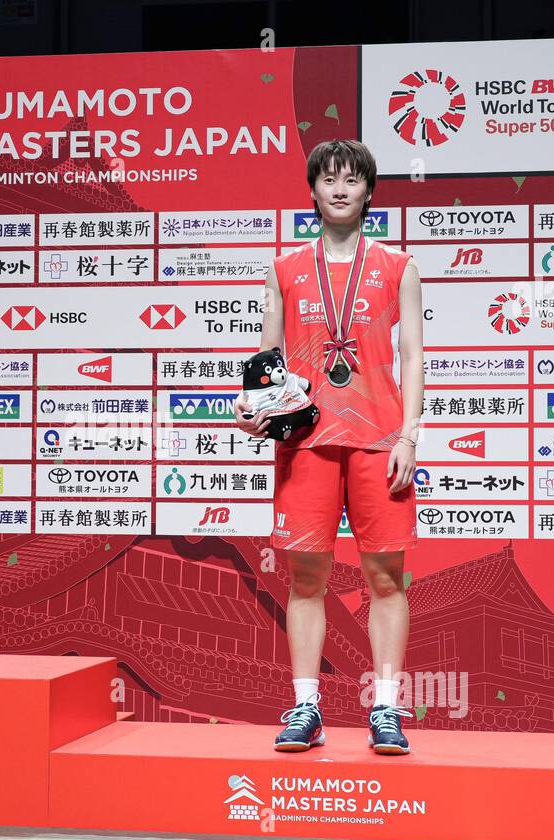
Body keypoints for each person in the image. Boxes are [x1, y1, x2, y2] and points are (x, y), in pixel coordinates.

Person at [233, 140, 424, 755]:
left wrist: (410, 434)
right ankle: (306, 708)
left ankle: (387, 710)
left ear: (370, 191)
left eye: (352, 179)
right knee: (307, 579)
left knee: (386, 579)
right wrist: (256, 409)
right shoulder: (284, 269)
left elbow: (413, 356)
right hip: (308, 441)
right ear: (312, 189)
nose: (340, 189)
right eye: (328, 179)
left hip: (378, 439)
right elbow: (271, 364)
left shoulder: (399, 267)